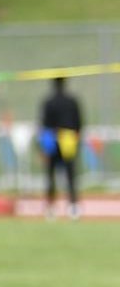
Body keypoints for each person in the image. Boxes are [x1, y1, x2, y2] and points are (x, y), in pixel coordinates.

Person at [40, 76, 84, 220]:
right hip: (68, 138)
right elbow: (79, 123)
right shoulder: (72, 101)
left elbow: (44, 124)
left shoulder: (48, 102)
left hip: (52, 137)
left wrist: (43, 146)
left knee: (50, 174)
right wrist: (76, 140)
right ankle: (73, 208)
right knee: (70, 174)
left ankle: (51, 209)